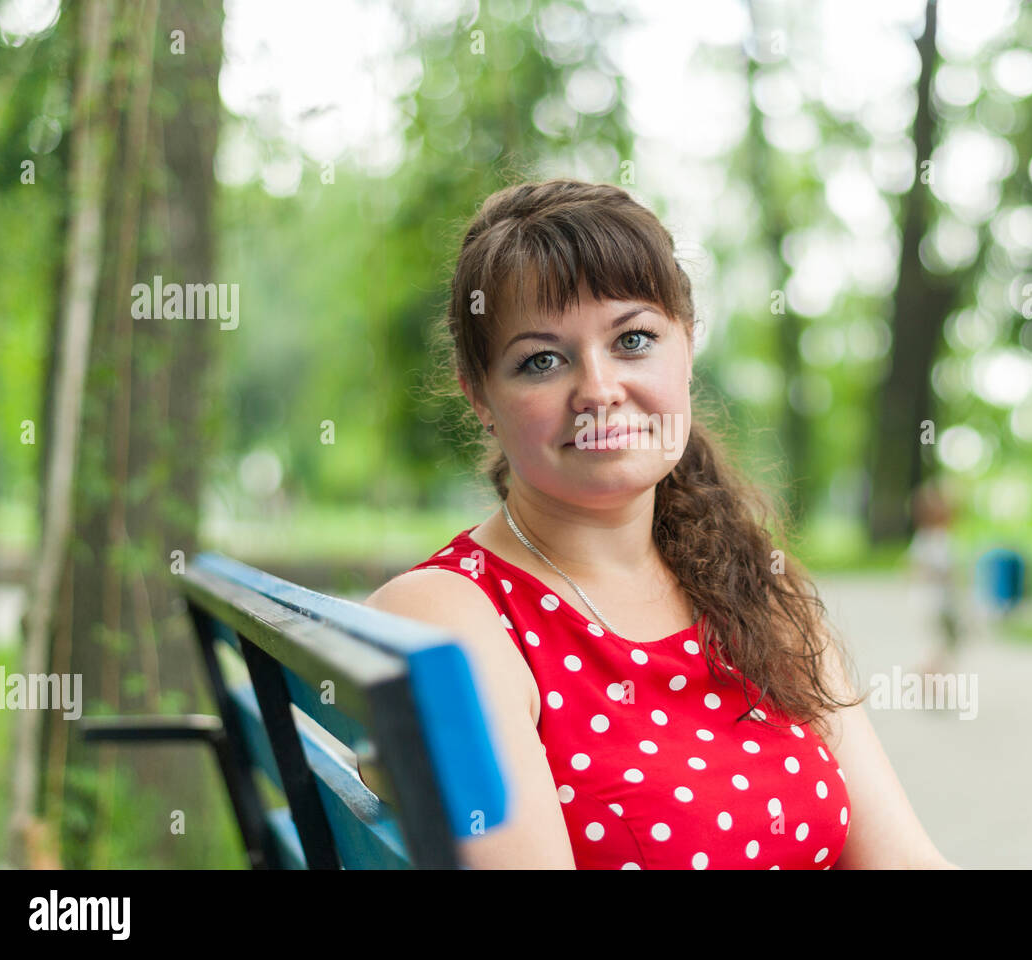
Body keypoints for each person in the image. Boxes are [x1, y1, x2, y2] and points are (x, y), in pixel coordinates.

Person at [366, 179, 954, 870]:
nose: (599, 389)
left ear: (688, 346)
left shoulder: (754, 587)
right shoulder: (452, 618)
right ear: (479, 395)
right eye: (542, 360)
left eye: (634, 339)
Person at [908, 481, 962, 678]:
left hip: (924, 599)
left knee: (936, 643)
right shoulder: (940, 540)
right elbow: (946, 571)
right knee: (941, 643)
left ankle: (928, 676)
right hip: (937, 600)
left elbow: (910, 570)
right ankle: (927, 676)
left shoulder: (921, 538)